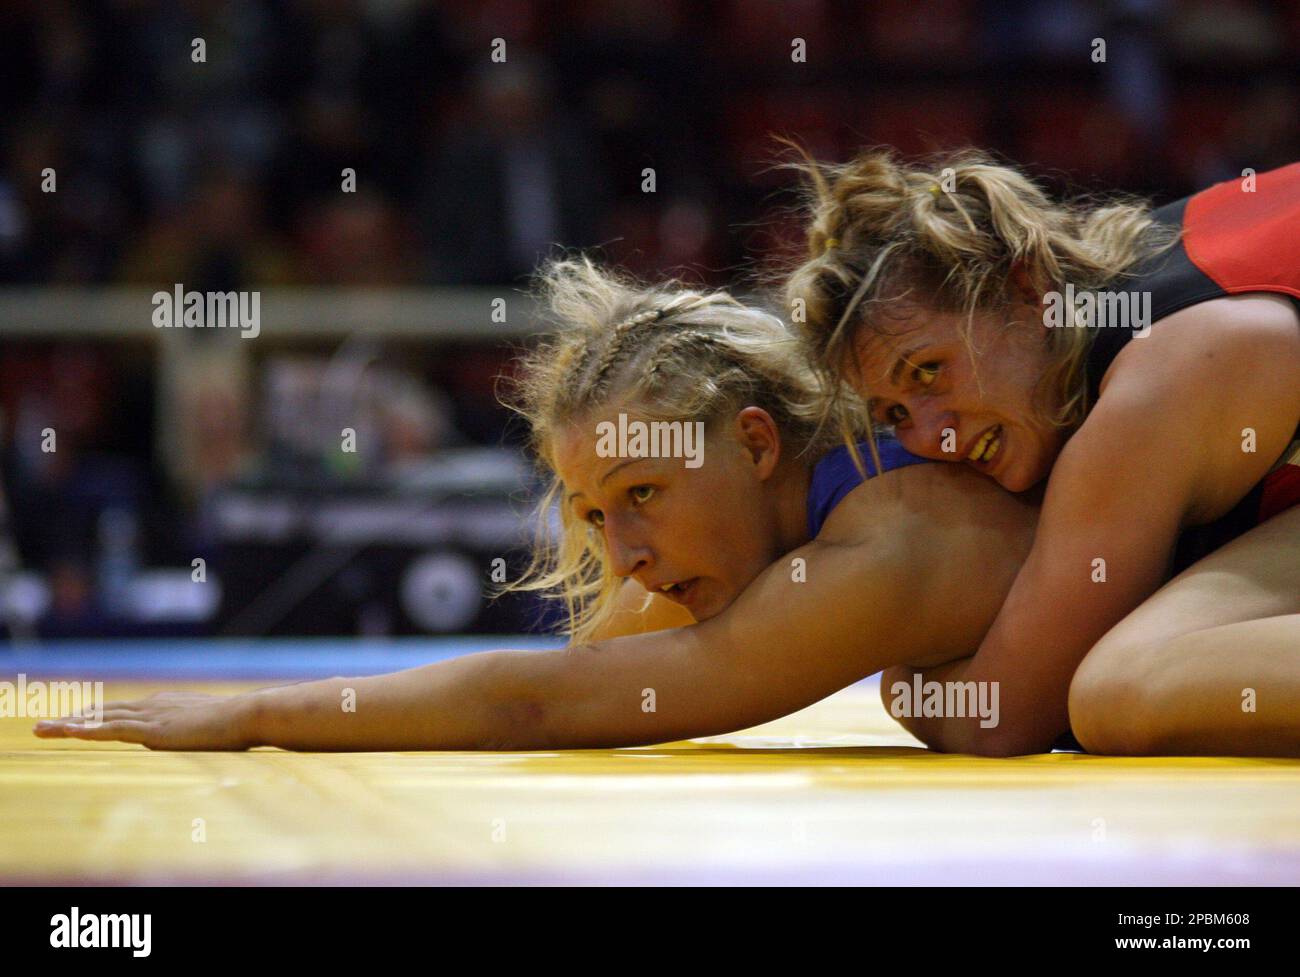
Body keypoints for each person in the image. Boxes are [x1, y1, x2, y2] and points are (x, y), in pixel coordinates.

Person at [34, 259, 1038, 751]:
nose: (627, 547)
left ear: (756, 441)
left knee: (1119, 692)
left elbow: (534, 700)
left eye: (642, 493)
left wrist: (252, 712)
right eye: (595, 514)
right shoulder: (779, 510)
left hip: (1186, 583)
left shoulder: (875, 547)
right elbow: (596, 669)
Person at [786, 148, 1300, 757]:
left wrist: (901, 675)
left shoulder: (1155, 385)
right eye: (895, 414)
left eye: (928, 372)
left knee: (1121, 689)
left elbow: (997, 718)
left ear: (1026, 288)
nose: (930, 435)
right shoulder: (1132, 270)